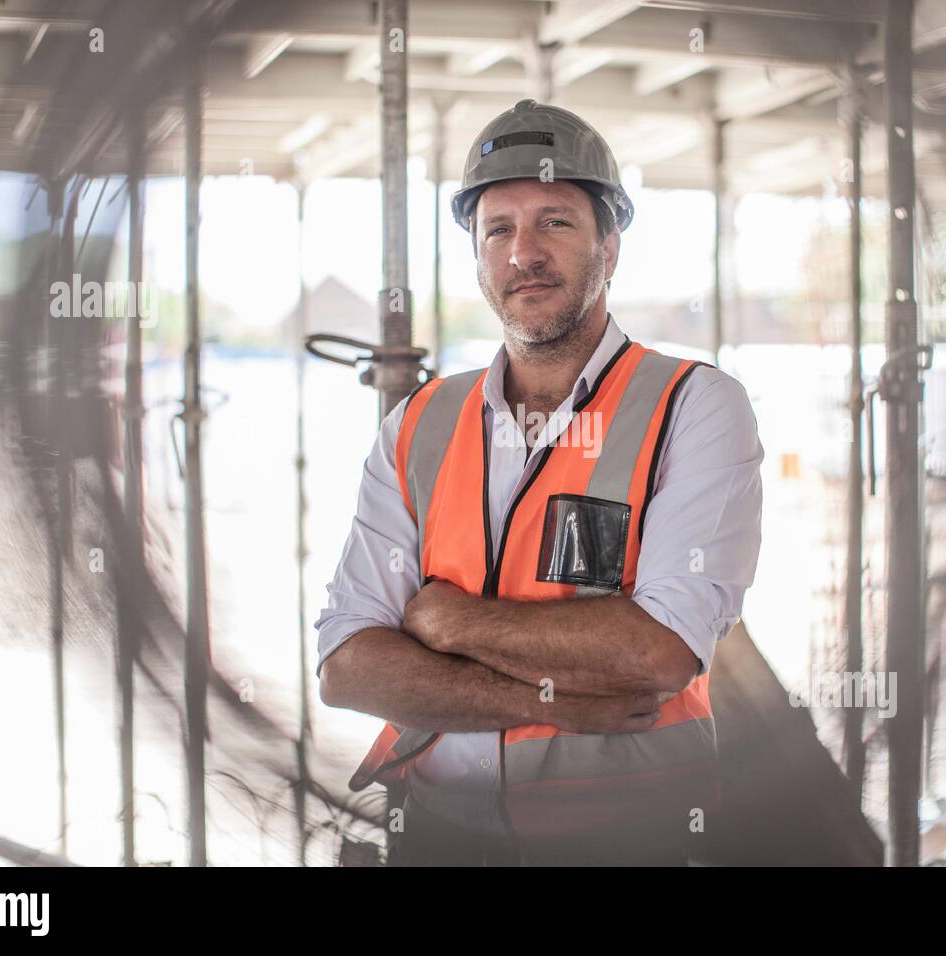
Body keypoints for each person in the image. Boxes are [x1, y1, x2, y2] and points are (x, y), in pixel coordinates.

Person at [315, 99, 763, 866]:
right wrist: (540, 699)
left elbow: (657, 653)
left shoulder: (693, 406)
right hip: (435, 833)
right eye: (498, 229)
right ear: (479, 256)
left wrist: (449, 626)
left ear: (610, 244)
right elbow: (347, 664)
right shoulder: (419, 423)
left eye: (554, 221)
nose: (523, 253)